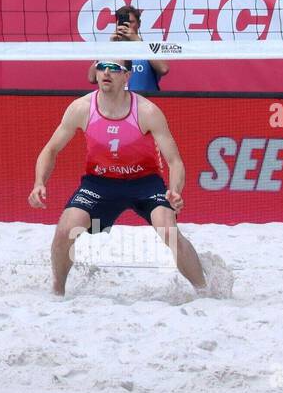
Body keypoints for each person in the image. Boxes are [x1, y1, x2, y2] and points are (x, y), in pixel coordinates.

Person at [29, 60, 207, 296]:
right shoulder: (81, 108)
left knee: (168, 230)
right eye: (102, 67)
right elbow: (50, 150)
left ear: (127, 76)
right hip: (100, 183)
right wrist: (39, 182)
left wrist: (175, 191)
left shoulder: (147, 111)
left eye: (114, 69)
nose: (107, 73)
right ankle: (57, 291)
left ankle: (205, 291)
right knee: (65, 229)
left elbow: (175, 161)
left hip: (145, 182)